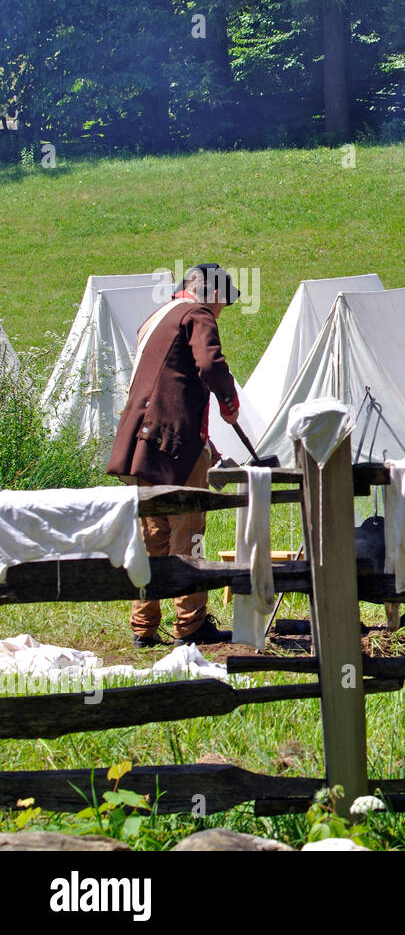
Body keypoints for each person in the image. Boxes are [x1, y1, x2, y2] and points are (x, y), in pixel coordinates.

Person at [108, 263, 242, 648]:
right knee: (188, 532)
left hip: (140, 445)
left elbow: (169, 386)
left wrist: (206, 443)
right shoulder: (196, 313)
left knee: (152, 536)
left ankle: (144, 627)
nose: (218, 315)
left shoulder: (155, 319)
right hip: (172, 445)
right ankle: (190, 624)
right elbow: (209, 365)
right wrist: (229, 401)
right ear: (211, 294)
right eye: (220, 306)